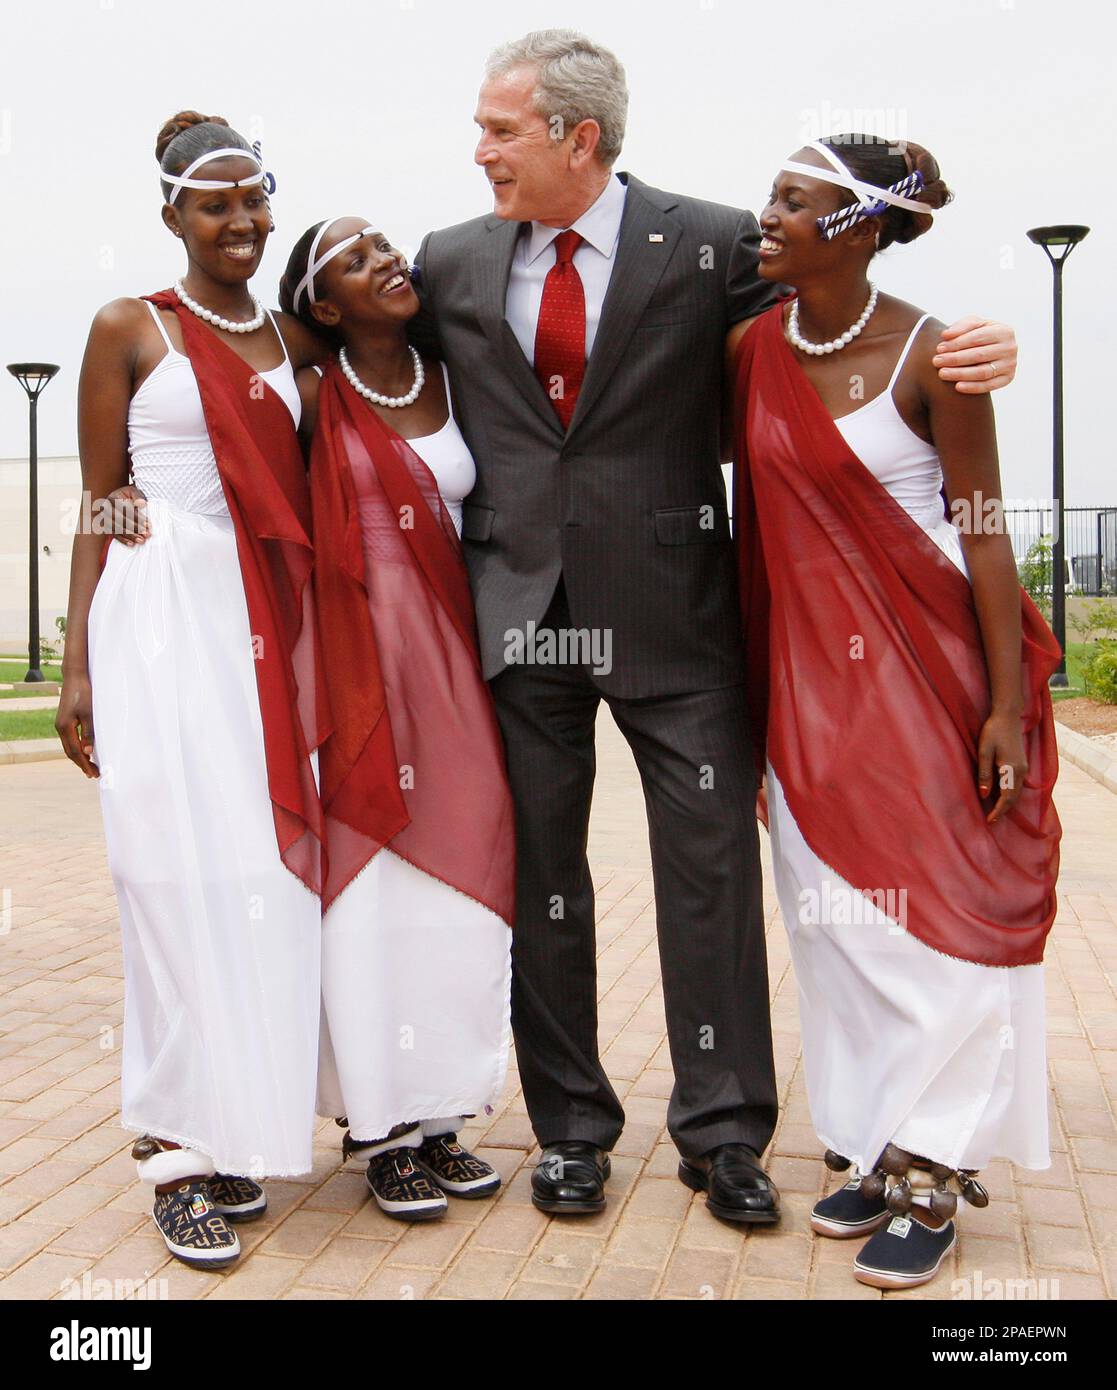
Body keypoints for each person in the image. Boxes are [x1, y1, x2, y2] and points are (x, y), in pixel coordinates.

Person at [409, 29, 1020, 1220]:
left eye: (499, 129)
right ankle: (571, 1128)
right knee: (546, 882)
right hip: (521, 619)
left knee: (709, 881)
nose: (477, 149)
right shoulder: (449, 260)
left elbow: (848, 306)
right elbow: (359, 357)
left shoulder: (710, 242)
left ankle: (724, 1132)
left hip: (678, 622)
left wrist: (985, 339)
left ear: (575, 137)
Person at [727, 135, 1061, 1286]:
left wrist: (1008, 708)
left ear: (860, 227)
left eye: (792, 203)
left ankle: (934, 1167)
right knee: (833, 925)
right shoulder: (748, 346)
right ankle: (873, 1139)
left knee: (933, 916)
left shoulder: (938, 352)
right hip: (809, 684)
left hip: (927, 677)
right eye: (769, 197)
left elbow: (980, 526)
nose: (763, 217)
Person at [55, 112, 328, 1269]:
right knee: (164, 876)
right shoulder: (131, 327)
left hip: (263, 624)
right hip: (158, 616)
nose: (242, 222)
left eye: (255, 200)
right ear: (171, 210)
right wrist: (75, 659)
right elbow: (104, 497)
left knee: (253, 876)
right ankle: (171, 1151)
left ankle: (232, 1131)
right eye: (215, 203)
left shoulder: (296, 338)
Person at [278, 218, 515, 1221]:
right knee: (369, 898)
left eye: (387, 240)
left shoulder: (457, 372)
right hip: (348, 671)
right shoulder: (310, 388)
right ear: (325, 305)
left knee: (460, 892)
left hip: (452, 670)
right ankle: (376, 1128)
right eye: (358, 256)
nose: (389, 257)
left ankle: (441, 1112)